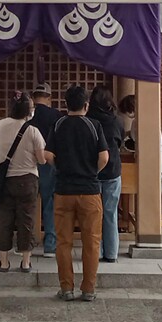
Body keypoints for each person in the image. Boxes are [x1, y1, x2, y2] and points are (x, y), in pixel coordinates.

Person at [44, 85, 109, 302]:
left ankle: (66, 288)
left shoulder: (58, 124)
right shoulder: (94, 125)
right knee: (91, 242)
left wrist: (61, 168)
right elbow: (104, 157)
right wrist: (91, 172)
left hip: (63, 190)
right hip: (89, 190)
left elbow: (47, 155)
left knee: (63, 242)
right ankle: (88, 288)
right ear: (86, 105)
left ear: (66, 104)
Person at [0, 92, 45, 274]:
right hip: (27, 179)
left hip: (4, 180)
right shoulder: (32, 131)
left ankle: (4, 262)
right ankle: (26, 262)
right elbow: (42, 159)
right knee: (26, 220)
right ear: (28, 111)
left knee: (5, 220)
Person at [88, 85, 125, 263]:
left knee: (92, 214)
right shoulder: (117, 121)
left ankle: (94, 251)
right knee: (110, 213)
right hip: (112, 170)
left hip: (91, 171)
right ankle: (111, 252)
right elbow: (120, 142)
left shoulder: (88, 121)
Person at [29, 83, 60, 256]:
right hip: (50, 163)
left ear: (33, 98)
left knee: (27, 203)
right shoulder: (57, 116)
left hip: (28, 164)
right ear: (49, 98)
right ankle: (50, 243)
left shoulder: (27, 115)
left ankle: (26, 242)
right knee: (49, 203)